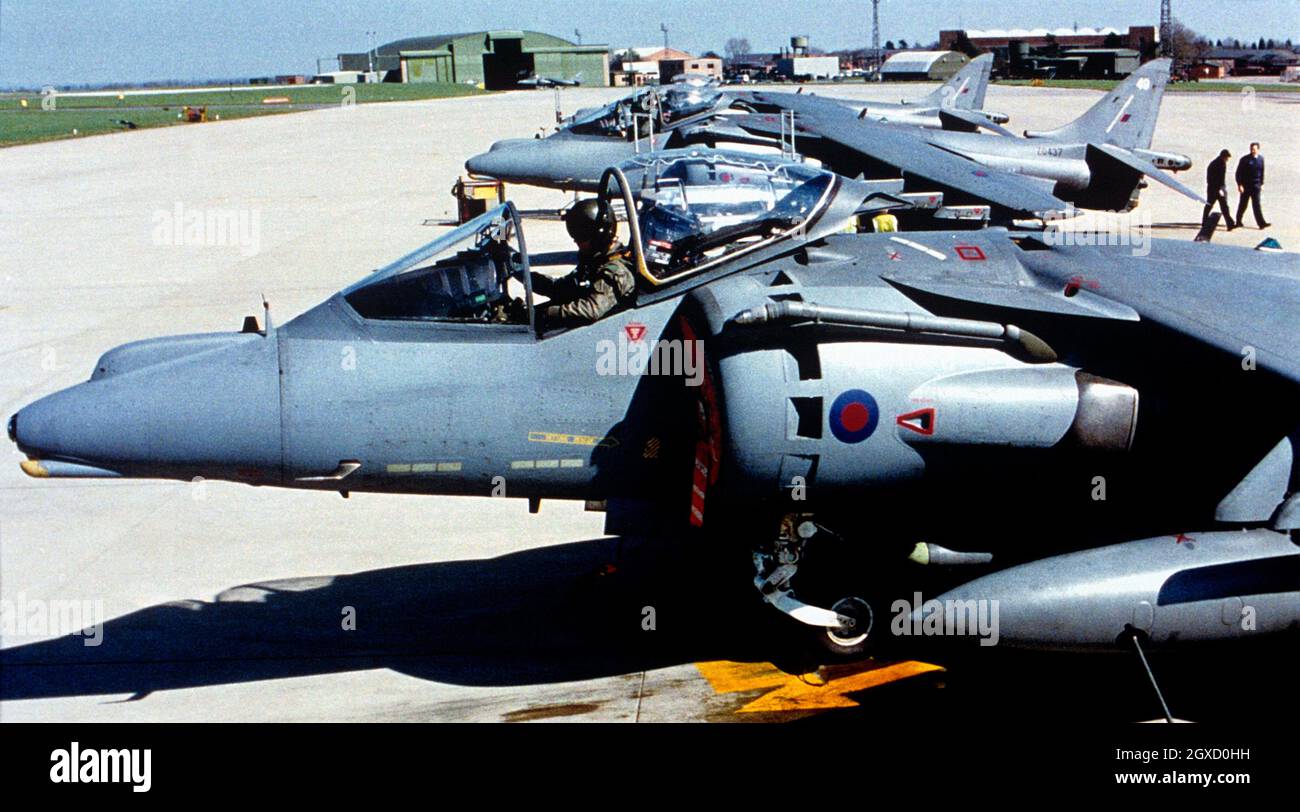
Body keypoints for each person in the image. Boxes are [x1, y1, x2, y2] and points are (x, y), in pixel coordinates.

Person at [530, 199, 635, 328]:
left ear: (598, 236)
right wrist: (526, 278)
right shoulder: (595, 262)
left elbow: (591, 310)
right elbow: (561, 289)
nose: (576, 242)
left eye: (581, 236)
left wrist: (545, 313)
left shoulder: (614, 270)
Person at [1234, 142, 1270, 229]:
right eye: (1251, 149)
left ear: (1258, 149)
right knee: (1243, 204)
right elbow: (1238, 173)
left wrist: (1261, 183)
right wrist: (1240, 185)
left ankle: (1261, 223)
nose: (1253, 151)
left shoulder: (1261, 159)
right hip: (1246, 186)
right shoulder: (1245, 160)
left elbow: (1262, 172)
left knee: (1256, 205)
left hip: (1256, 185)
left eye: (1254, 149)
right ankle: (1238, 221)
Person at [1202, 149, 1236, 231]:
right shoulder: (1220, 164)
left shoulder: (1215, 163)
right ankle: (1230, 223)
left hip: (1212, 188)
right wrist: (1220, 189)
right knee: (1223, 206)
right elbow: (1219, 178)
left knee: (1209, 205)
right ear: (1224, 157)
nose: (1227, 159)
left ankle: (1205, 221)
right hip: (1216, 189)